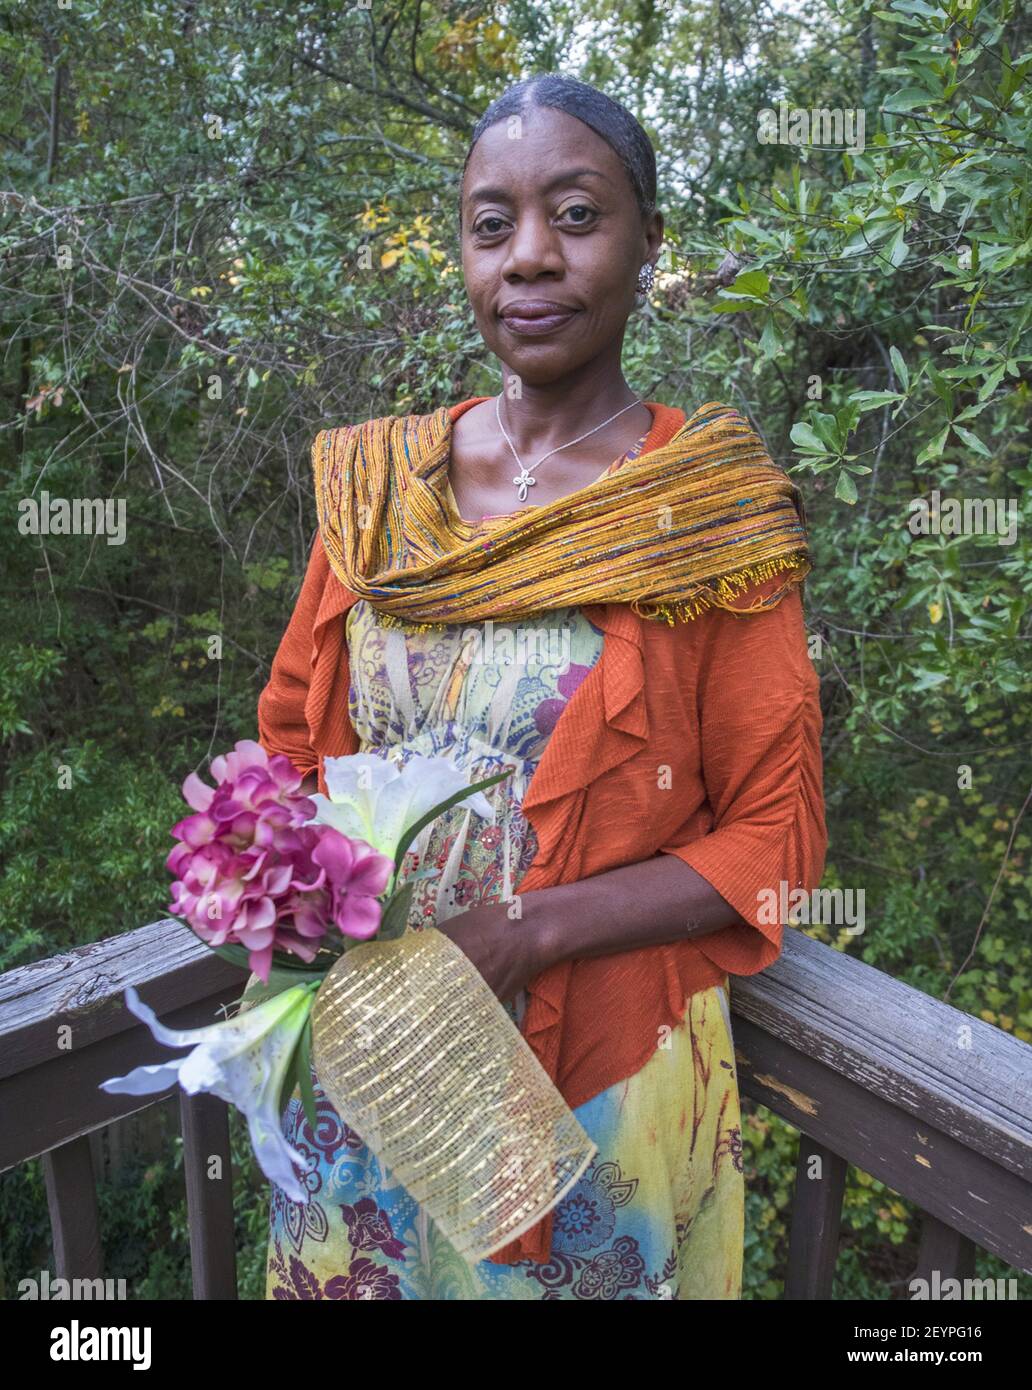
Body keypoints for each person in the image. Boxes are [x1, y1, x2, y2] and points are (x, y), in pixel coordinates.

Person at [257, 72, 827, 1300]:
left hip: (593, 1093)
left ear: (646, 245)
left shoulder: (709, 517)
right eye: (490, 223)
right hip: (374, 1060)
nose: (528, 257)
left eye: (575, 215)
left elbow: (774, 833)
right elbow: (293, 746)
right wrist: (274, 881)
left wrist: (526, 933)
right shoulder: (378, 495)